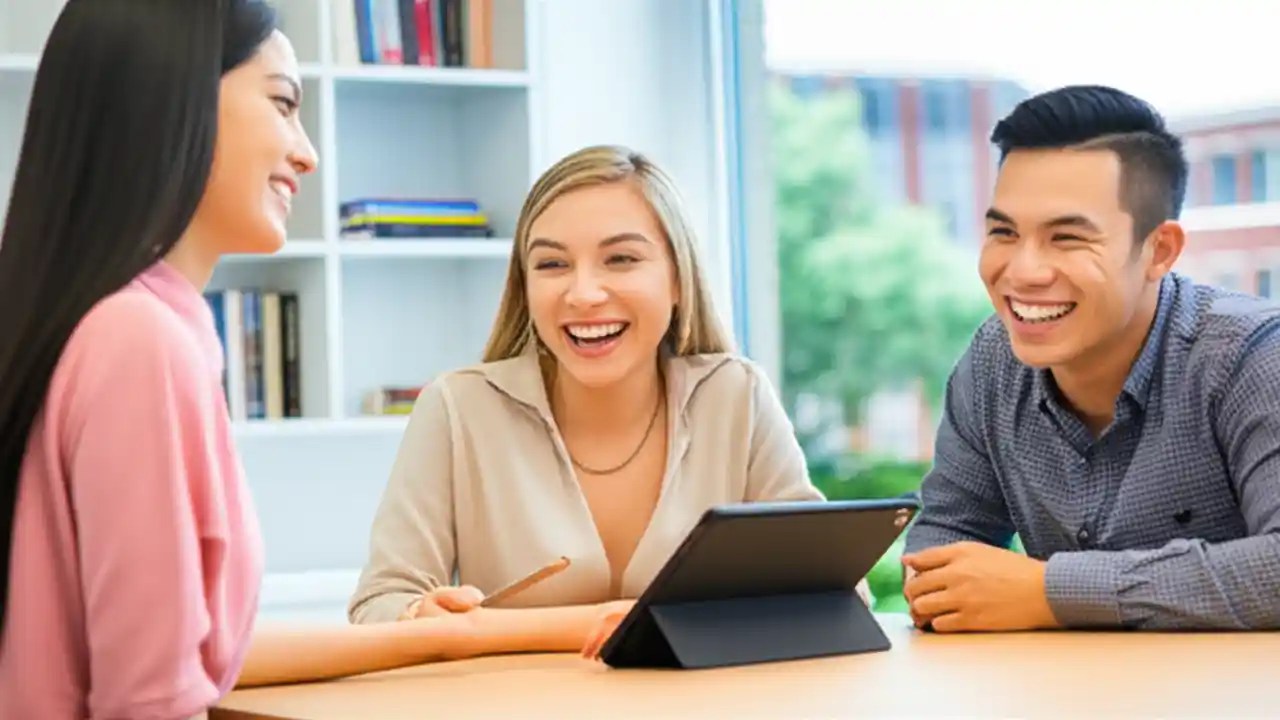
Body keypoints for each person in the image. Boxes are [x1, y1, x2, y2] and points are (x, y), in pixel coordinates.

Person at [0, 3, 621, 718]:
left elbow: (207, 657)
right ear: (176, 99)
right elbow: (150, 701)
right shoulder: (139, 342)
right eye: (283, 104)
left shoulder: (91, 324)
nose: (307, 152)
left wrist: (445, 638)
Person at [349, 144, 852, 639]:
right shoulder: (458, 408)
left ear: (678, 278)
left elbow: (831, 592)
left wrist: (493, 629)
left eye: (621, 259)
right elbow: (380, 605)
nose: (584, 294)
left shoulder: (736, 395)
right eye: (551, 265)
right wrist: (419, 616)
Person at [900, 84, 1280, 633]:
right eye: (1003, 232)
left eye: (1067, 238)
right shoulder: (992, 362)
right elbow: (940, 550)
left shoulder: (1251, 356)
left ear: (1159, 250)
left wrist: (1049, 592)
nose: (1024, 271)